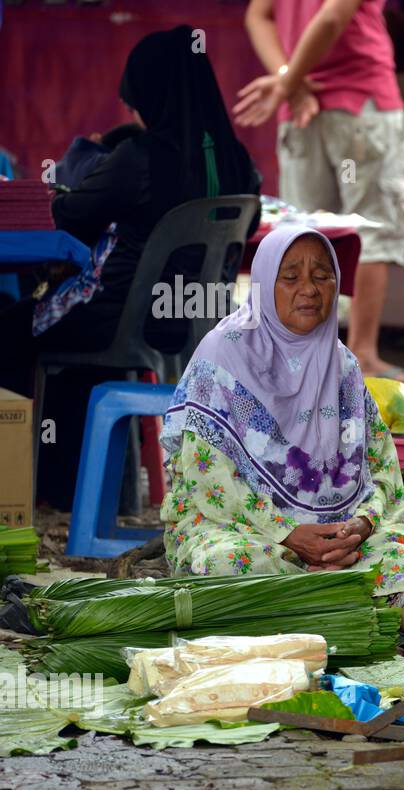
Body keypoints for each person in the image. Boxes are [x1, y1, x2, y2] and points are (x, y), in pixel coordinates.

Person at [159, 226, 404, 652]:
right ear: (263, 284)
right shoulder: (222, 356)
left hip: (337, 539)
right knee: (229, 562)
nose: (309, 290)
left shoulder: (341, 365)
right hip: (238, 527)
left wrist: (361, 524)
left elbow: (380, 465)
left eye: (322, 275)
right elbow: (208, 483)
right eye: (290, 277)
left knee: (399, 550)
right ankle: (331, 614)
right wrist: (289, 533)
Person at [0, 25, 262, 507]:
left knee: (9, 328)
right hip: (190, 324)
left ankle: (16, 492)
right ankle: (74, 492)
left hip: (119, 322)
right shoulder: (238, 161)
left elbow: (69, 215)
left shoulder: (139, 157)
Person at [236, 0, 404, 386]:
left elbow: (258, 14)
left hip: (301, 110)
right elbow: (334, 15)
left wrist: (289, 79)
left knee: (301, 234)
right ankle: (363, 355)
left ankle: (301, 360)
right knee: (372, 229)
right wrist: (289, 82)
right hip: (361, 103)